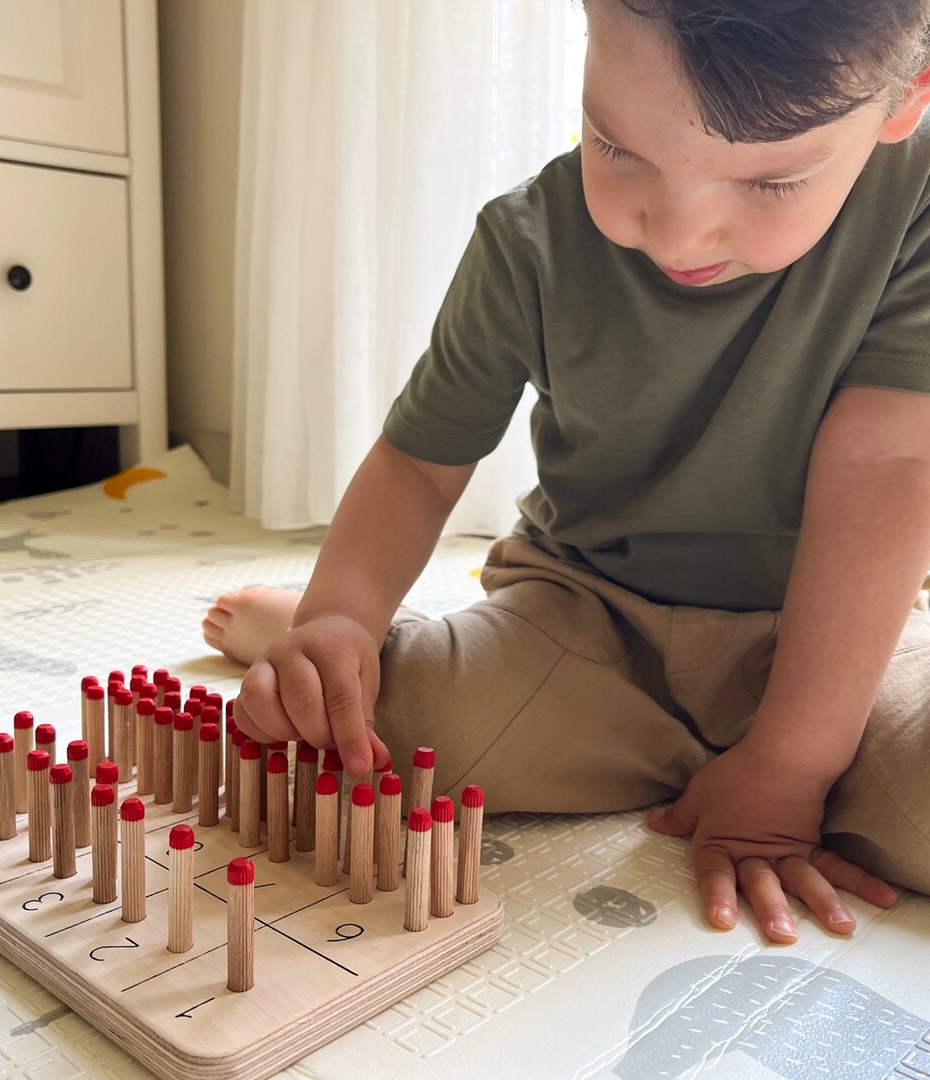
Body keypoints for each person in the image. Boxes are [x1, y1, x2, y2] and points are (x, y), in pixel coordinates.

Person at [206, 0, 930, 945]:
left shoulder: (914, 207)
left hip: (835, 643)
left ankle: (738, 753)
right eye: (617, 145)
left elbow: (888, 464)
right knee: (355, 737)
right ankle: (321, 626)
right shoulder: (524, 241)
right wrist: (343, 614)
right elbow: (420, 464)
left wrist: (794, 764)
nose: (676, 235)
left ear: (902, 104)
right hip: (590, 619)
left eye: (771, 182)